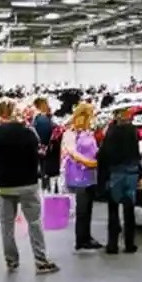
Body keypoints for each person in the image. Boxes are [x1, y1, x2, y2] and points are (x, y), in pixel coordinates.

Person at [0, 99, 59, 274]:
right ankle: (41, 261)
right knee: (34, 222)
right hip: (28, 183)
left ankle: (11, 260)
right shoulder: (29, 132)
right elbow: (39, 151)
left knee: (7, 225)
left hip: (4, 184)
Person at [97, 107, 142, 254]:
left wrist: (102, 176)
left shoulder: (111, 132)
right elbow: (136, 152)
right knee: (129, 210)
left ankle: (112, 244)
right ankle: (130, 244)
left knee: (113, 209)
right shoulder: (133, 131)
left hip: (115, 173)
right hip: (131, 172)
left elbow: (104, 155)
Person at [62, 102, 102, 251]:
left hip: (90, 175)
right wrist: (91, 163)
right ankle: (81, 239)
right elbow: (72, 153)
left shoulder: (87, 132)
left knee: (88, 208)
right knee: (82, 210)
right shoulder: (71, 132)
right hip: (79, 175)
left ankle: (87, 236)